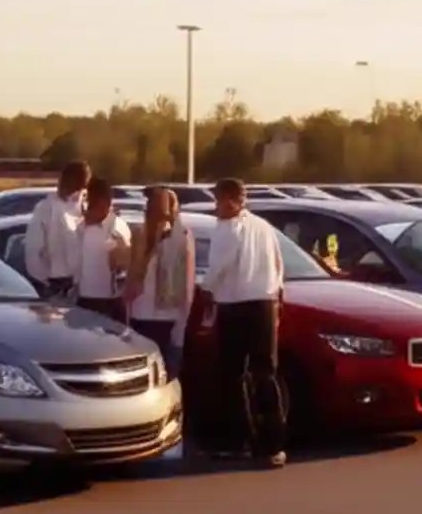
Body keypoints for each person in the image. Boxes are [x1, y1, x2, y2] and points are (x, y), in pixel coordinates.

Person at [203, 177, 287, 468]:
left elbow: (218, 269)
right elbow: (279, 265)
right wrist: (277, 300)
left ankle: (238, 439)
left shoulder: (226, 229)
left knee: (233, 375)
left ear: (229, 200)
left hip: (235, 305)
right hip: (264, 303)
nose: (216, 207)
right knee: (266, 372)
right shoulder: (264, 227)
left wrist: (204, 292)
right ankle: (273, 443)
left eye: (218, 200)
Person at [124, 187, 195, 376]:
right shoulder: (141, 235)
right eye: (152, 208)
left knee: (165, 371)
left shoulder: (181, 239)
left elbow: (186, 284)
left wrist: (182, 322)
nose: (156, 214)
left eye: (161, 210)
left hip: (167, 316)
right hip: (140, 314)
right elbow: (133, 274)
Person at [24, 160, 89, 299]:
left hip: (81, 286)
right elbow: (33, 250)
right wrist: (46, 283)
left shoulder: (84, 209)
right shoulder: (46, 208)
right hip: (55, 285)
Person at [74, 177, 131, 321]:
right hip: (79, 300)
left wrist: (118, 255)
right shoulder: (80, 228)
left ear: (105, 203)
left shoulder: (117, 228)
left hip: (106, 304)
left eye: (92, 203)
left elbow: (122, 265)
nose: (88, 208)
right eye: (88, 202)